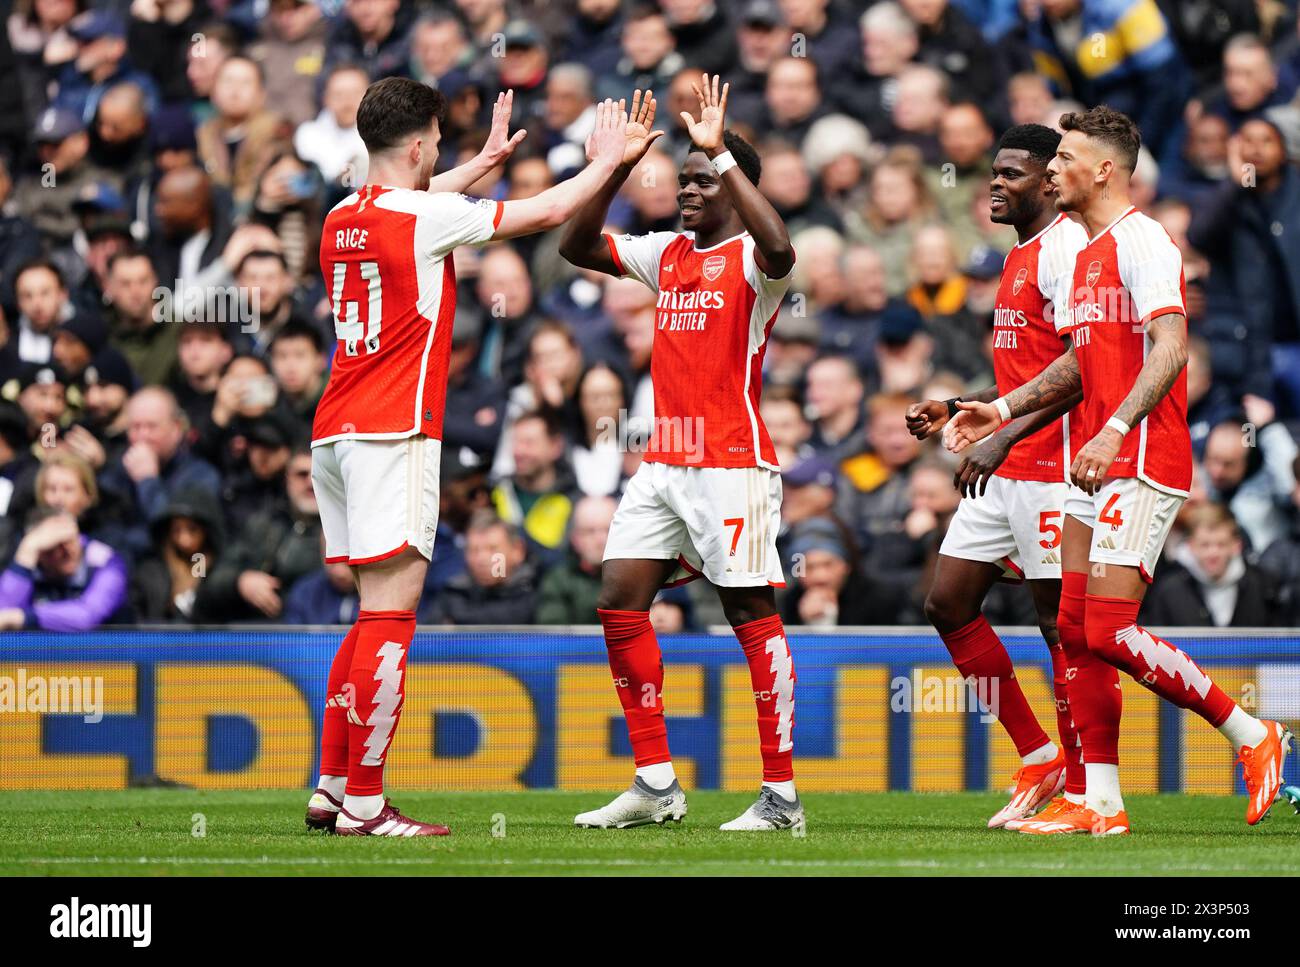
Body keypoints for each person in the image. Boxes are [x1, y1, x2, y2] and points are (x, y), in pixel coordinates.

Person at [303, 77, 639, 837]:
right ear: (420, 143)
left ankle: (331, 785)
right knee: (391, 614)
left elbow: (416, 201)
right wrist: (607, 164)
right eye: (438, 146)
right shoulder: (423, 216)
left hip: (335, 430)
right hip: (394, 431)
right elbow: (550, 211)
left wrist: (483, 160)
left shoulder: (339, 216)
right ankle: (364, 801)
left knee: (366, 615)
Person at [947, 106, 1289, 834]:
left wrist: (1111, 428)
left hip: (1140, 457)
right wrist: (999, 410)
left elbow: (1171, 348)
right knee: (1072, 629)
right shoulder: (1091, 252)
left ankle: (1251, 732)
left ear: (1102, 169)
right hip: (1096, 464)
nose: (1052, 170)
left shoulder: (1143, 242)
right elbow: (1081, 359)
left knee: (1104, 631)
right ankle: (1097, 800)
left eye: (1064, 157)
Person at [559, 76, 801, 832]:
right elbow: (573, 244)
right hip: (665, 463)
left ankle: (782, 796)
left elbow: (783, 245)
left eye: (701, 181)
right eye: (684, 180)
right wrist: (618, 169)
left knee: (748, 610)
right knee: (620, 599)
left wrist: (719, 151)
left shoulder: (755, 267)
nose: (687, 191)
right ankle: (656, 781)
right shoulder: (667, 255)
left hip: (733, 464)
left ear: (733, 184)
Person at [906, 123, 1088, 828]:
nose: (996, 184)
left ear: (1050, 181)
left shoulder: (1066, 250)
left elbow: (1084, 368)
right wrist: (958, 404)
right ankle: (1039, 752)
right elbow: (1029, 371)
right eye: (993, 173)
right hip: (1009, 462)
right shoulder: (1018, 256)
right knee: (948, 603)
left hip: (1054, 468)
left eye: (1013, 173)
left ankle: (1082, 782)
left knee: (1059, 627)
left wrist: (1004, 432)